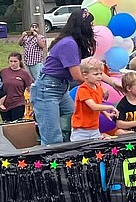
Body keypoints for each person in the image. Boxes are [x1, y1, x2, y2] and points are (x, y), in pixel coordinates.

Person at [31, 9, 98, 145]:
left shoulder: (74, 43)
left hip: (60, 88)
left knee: (77, 119)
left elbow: (89, 69)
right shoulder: (69, 44)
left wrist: (111, 83)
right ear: (82, 25)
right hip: (47, 90)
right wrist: (97, 86)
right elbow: (78, 75)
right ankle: (50, 163)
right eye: (91, 24)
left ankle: (67, 149)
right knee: (52, 138)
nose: (93, 27)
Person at [71, 57, 118, 142]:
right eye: (96, 74)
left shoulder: (99, 88)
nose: (99, 77)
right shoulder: (83, 89)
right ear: (85, 75)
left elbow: (98, 104)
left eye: (101, 74)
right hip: (81, 130)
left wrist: (105, 114)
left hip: (94, 128)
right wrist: (110, 107)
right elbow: (93, 106)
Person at [0, 52, 34, 122]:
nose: (13, 63)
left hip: (18, 103)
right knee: (6, 126)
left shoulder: (24, 74)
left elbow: (30, 90)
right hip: (5, 104)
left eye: (15, 61)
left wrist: (33, 104)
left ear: (19, 61)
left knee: (16, 126)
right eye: (11, 61)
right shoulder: (3, 72)